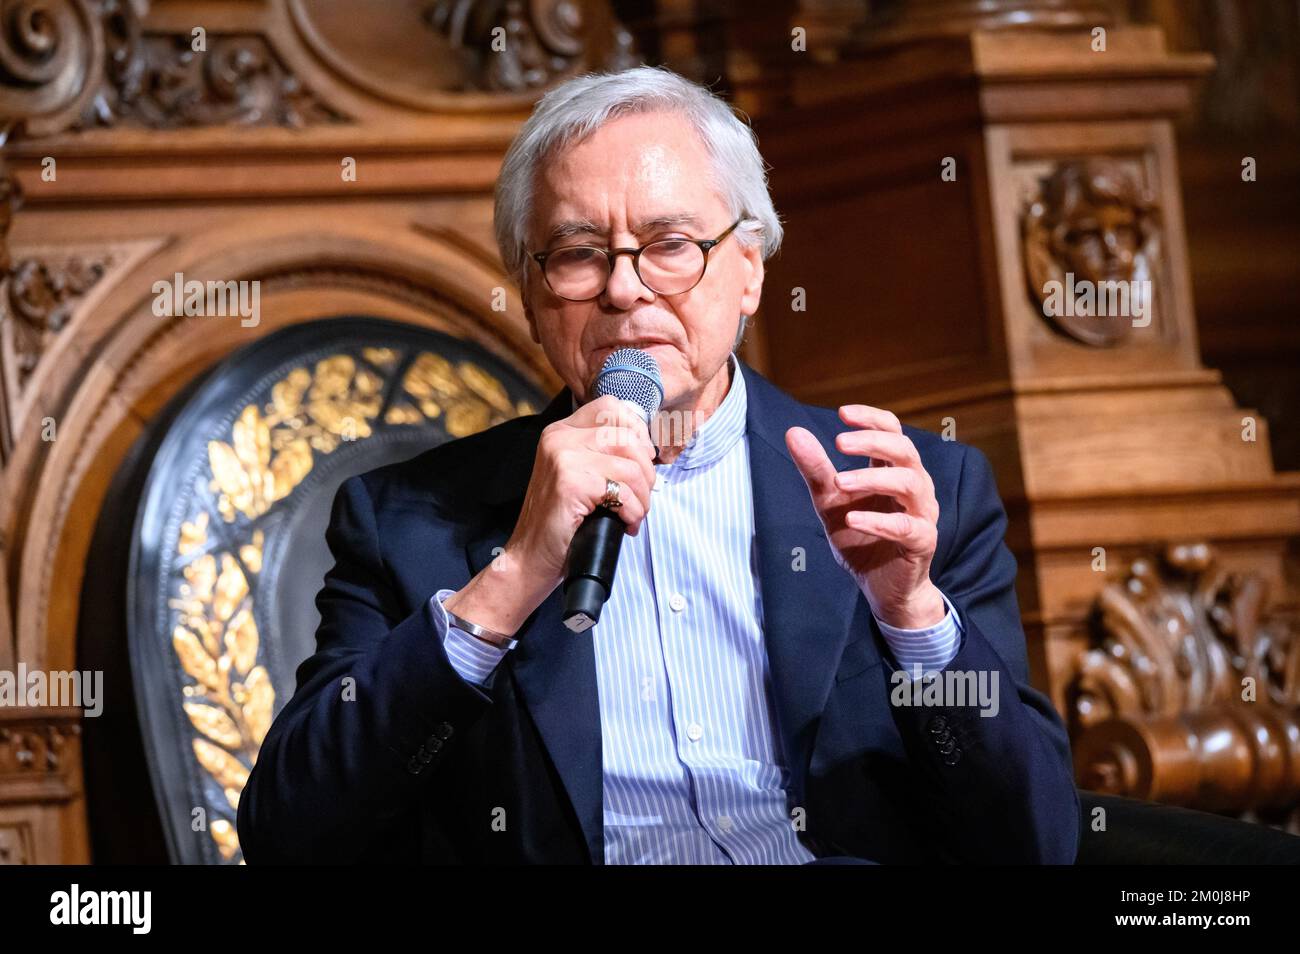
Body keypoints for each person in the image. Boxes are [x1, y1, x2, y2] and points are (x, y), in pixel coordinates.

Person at [236, 65, 1080, 865]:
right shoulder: (407, 523)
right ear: (531, 298)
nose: (625, 290)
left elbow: (1037, 842)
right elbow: (292, 834)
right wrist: (512, 579)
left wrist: (912, 620)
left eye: (671, 244)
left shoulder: (900, 490)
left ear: (748, 270)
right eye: (577, 255)